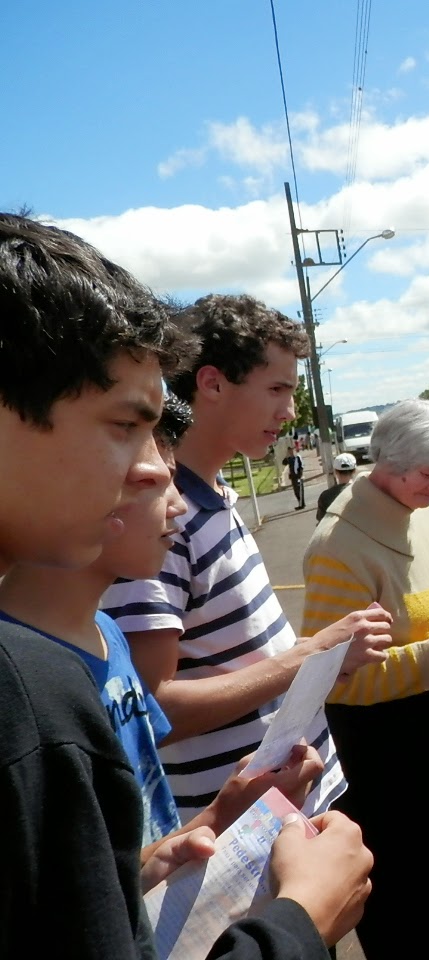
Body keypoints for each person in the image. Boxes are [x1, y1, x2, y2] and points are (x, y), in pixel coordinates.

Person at [0, 212, 373, 957]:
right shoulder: (28, 691)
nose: (148, 474)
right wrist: (297, 925)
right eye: (123, 425)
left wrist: (185, 838)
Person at [102, 293, 393, 823]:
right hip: (240, 830)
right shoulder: (164, 521)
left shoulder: (213, 499)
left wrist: (323, 662)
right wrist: (311, 657)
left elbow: (238, 659)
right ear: (212, 383)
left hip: (287, 806)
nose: (290, 411)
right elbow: (149, 709)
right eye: (277, 389)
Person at [302, 399, 429, 960]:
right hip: (388, 752)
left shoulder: (423, 512)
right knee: (410, 899)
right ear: (388, 462)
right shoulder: (337, 546)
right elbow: (334, 679)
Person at [315, 451, 358, 521]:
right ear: (354, 471)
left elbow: (321, 520)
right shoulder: (362, 491)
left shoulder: (325, 496)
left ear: (336, 472)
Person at [285, 445, 306, 510]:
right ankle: (300, 503)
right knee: (296, 492)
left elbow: (302, 466)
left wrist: (300, 475)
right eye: (289, 451)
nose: (291, 452)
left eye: (292, 450)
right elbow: (284, 463)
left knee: (300, 490)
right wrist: (287, 456)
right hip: (293, 477)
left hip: (298, 476)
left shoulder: (298, 457)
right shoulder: (289, 459)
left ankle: (302, 505)